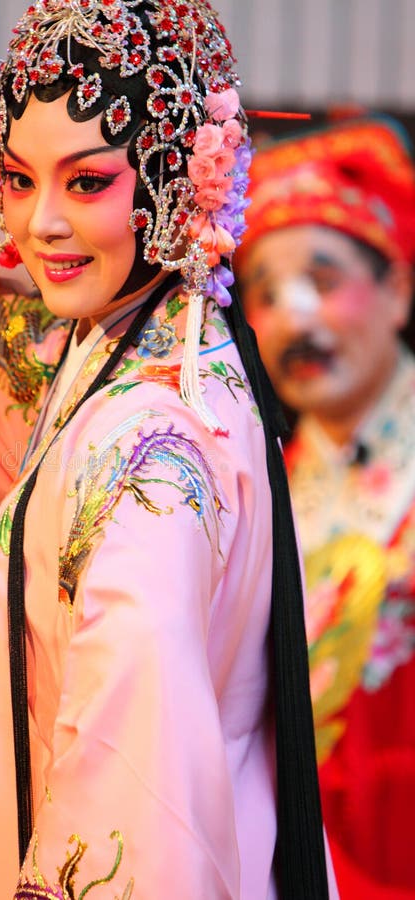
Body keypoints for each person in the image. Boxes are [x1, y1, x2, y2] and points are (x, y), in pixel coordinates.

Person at [0, 4, 336, 898]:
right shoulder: (130, 358)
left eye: (88, 182)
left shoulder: (147, 458)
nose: (41, 224)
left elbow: (134, 789)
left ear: (177, 181)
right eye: (16, 179)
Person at [236, 116, 415, 899]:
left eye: (324, 278)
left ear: (397, 286)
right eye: (267, 295)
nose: (297, 320)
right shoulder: (251, 487)